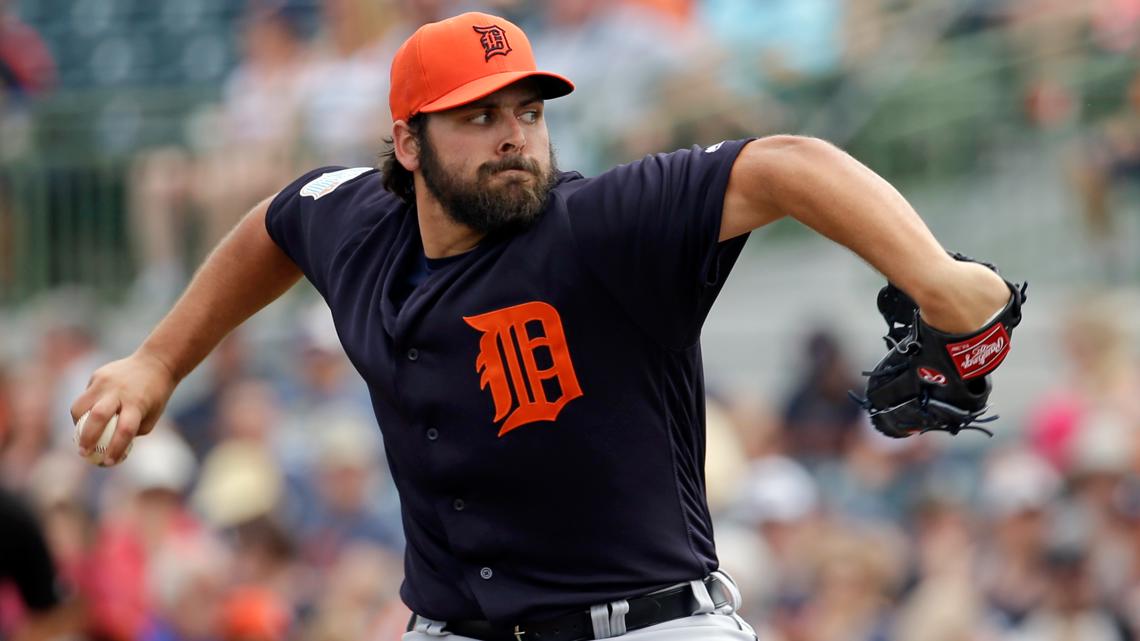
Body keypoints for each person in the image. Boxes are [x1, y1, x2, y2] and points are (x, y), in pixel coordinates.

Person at [71, 11, 1013, 641]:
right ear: (407, 143)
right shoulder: (356, 222)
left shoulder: (599, 225)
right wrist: (159, 359)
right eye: (477, 117)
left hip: (646, 625)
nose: (515, 133)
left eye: (526, 109)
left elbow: (786, 164)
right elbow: (276, 220)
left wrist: (938, 282)